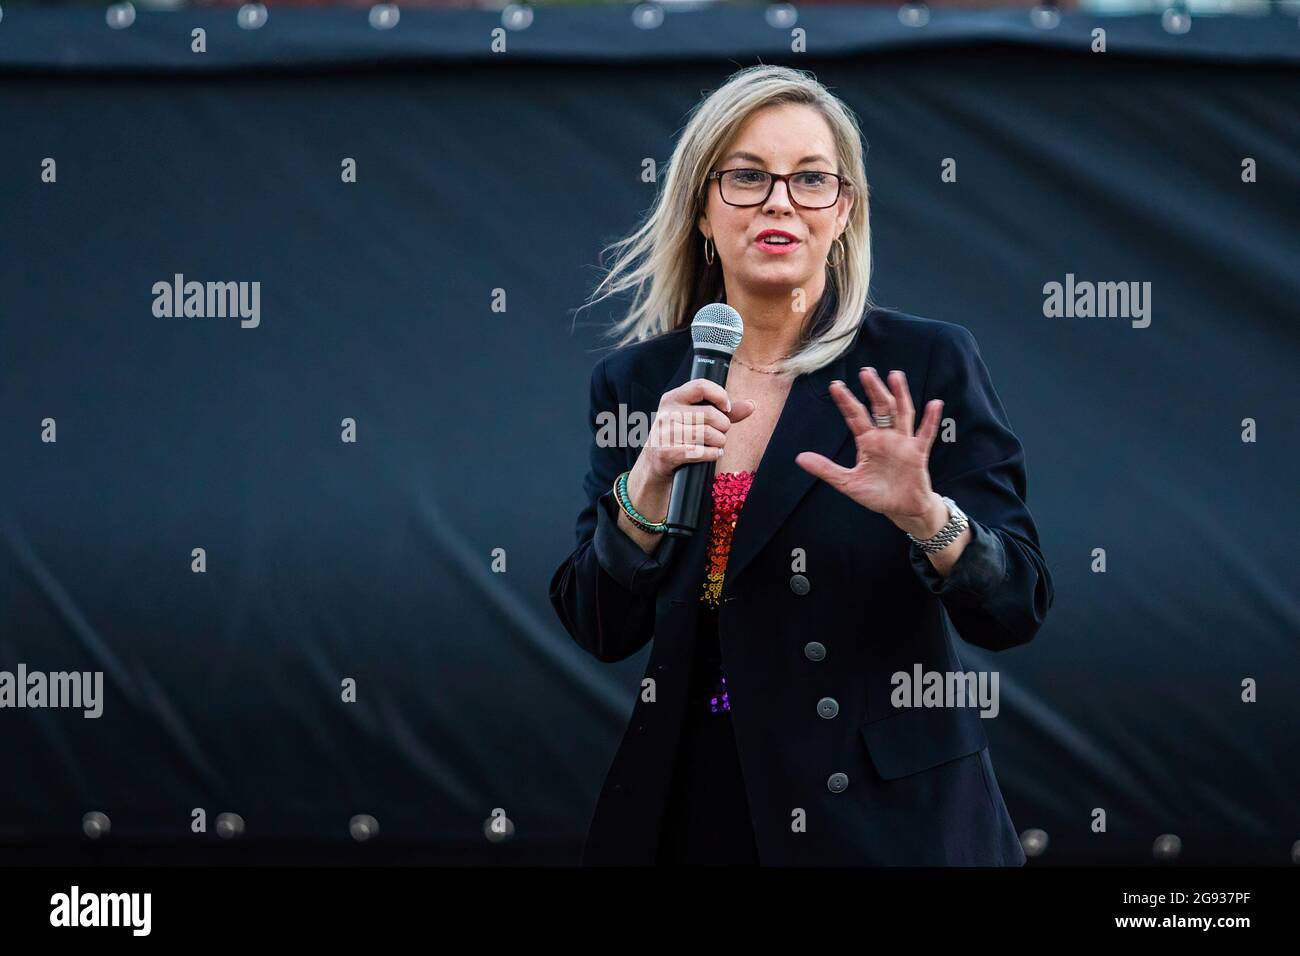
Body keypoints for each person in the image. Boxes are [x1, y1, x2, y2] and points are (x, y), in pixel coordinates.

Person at [549, 65, 1053, 866]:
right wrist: (643, 486)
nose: (780, 200)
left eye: (811, 179)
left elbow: (1015, 605)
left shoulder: (921, 362)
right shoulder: (641, 383)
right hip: (697, 798)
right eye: (747, 177)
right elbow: (600, 626)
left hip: (880, 815)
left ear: (843, 212)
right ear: (703, 211)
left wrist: (927, 518)